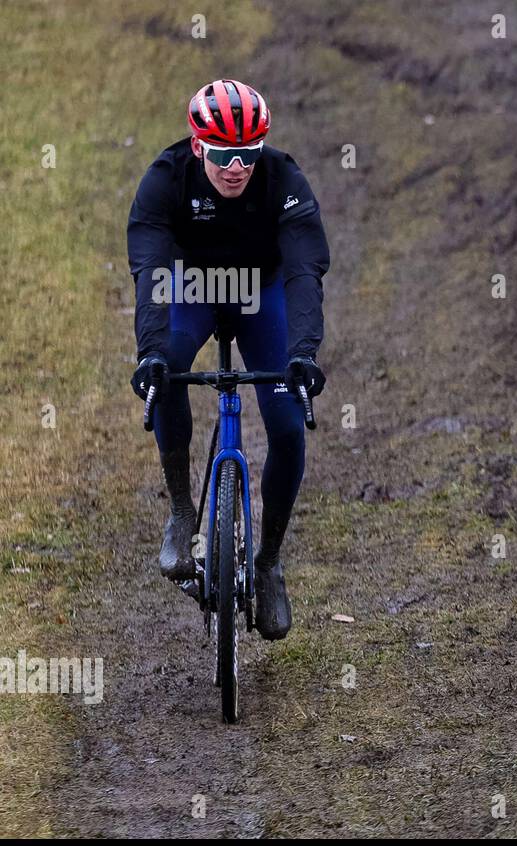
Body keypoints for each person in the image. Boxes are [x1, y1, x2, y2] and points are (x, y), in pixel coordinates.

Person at [127, 78, 329, 640]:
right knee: (167, 370)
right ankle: (182, 512)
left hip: (260, 291)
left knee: (289, 426)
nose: (236, 167)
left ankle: (267, 563)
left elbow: (304, 269)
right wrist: (150, 353)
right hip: (192, 284)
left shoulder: (284, 179)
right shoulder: (165, 179)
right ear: (198, 146)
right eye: (222, 154)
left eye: (247, 152)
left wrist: (304, 354)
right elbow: (151, 271)